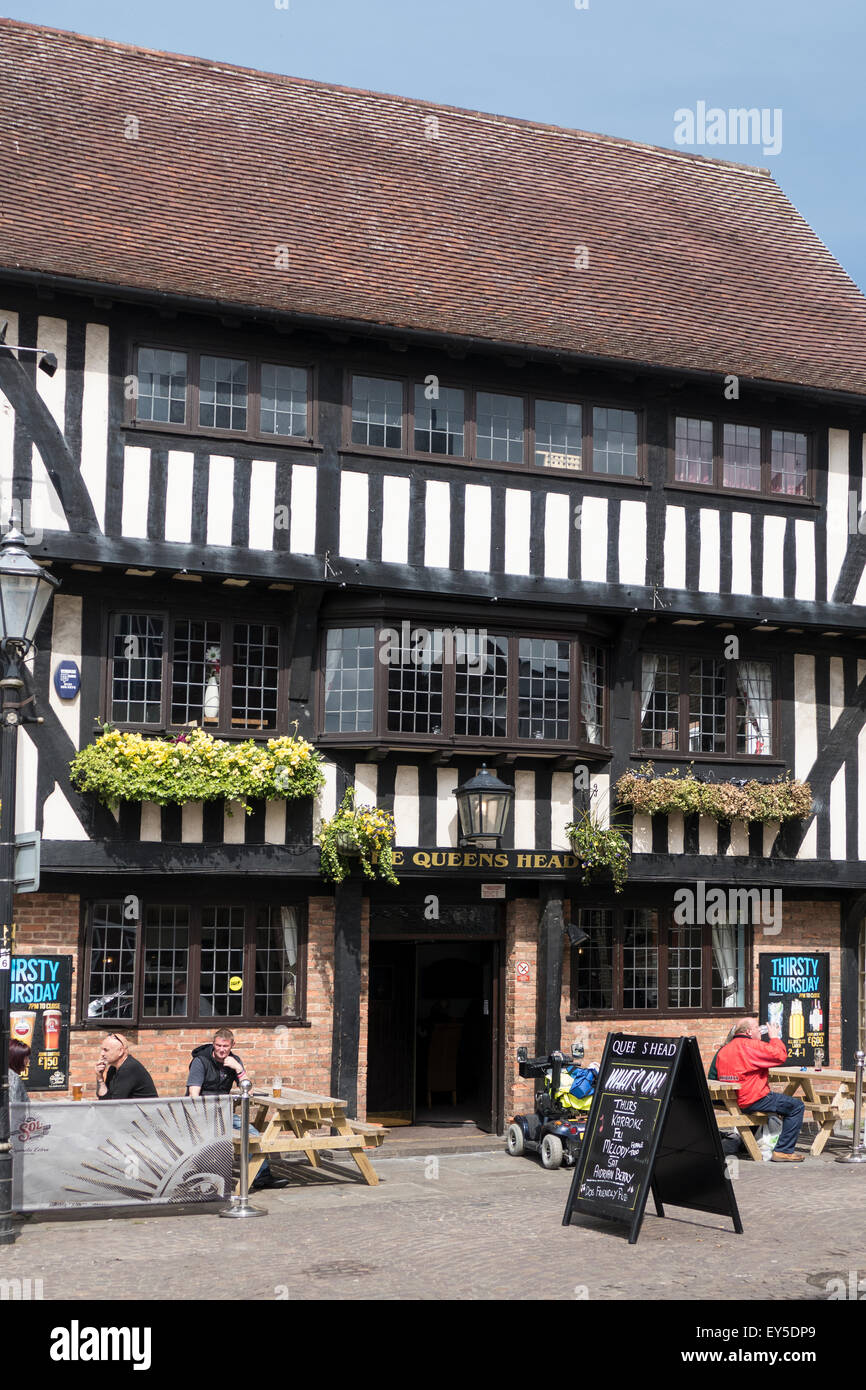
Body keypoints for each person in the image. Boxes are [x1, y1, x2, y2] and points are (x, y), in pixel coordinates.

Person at [186, 1028, 287, 1190]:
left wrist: (238, 1069)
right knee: (212, 1140)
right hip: (201, 1114)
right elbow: (193, 1095)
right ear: (213, 1044)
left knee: (252, 1133)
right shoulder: (201, 1061)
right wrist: (200, 1120)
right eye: (218, 1045)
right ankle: (201, 1180)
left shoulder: (234, 1061)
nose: (221, 1049)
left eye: (225, 1046)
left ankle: (261, 1176)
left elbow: (249, 1092)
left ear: (232, 1045)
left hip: (225, 1114)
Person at [714, 1017, 805, 1162]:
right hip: (753, 1098)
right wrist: (774, 1037)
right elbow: (779, 1056)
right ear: (749, 1031)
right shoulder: (751, 1046)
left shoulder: (725, 1049)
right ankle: (783, 1151)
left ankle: (749, 1144)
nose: (760, 1031)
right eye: (757, 1028)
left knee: (779, 1104)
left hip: (733, 1100)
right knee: (797, 1106)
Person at [95, 1032, 158, 1100]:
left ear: (121, 1051)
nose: (102, 1054)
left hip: (146, 1109)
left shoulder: (129, 1068)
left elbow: (113, 1104)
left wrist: (100, 1080)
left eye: (106, 1050)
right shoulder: (113, 1068)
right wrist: (100, 1078)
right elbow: (104, 1098)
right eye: (101, 1049)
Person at [9, 1038, 30, 1103]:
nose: (28, 1061)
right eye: (26, 1057)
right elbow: (15, 1108)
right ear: (17, 1058)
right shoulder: (14, 1078)